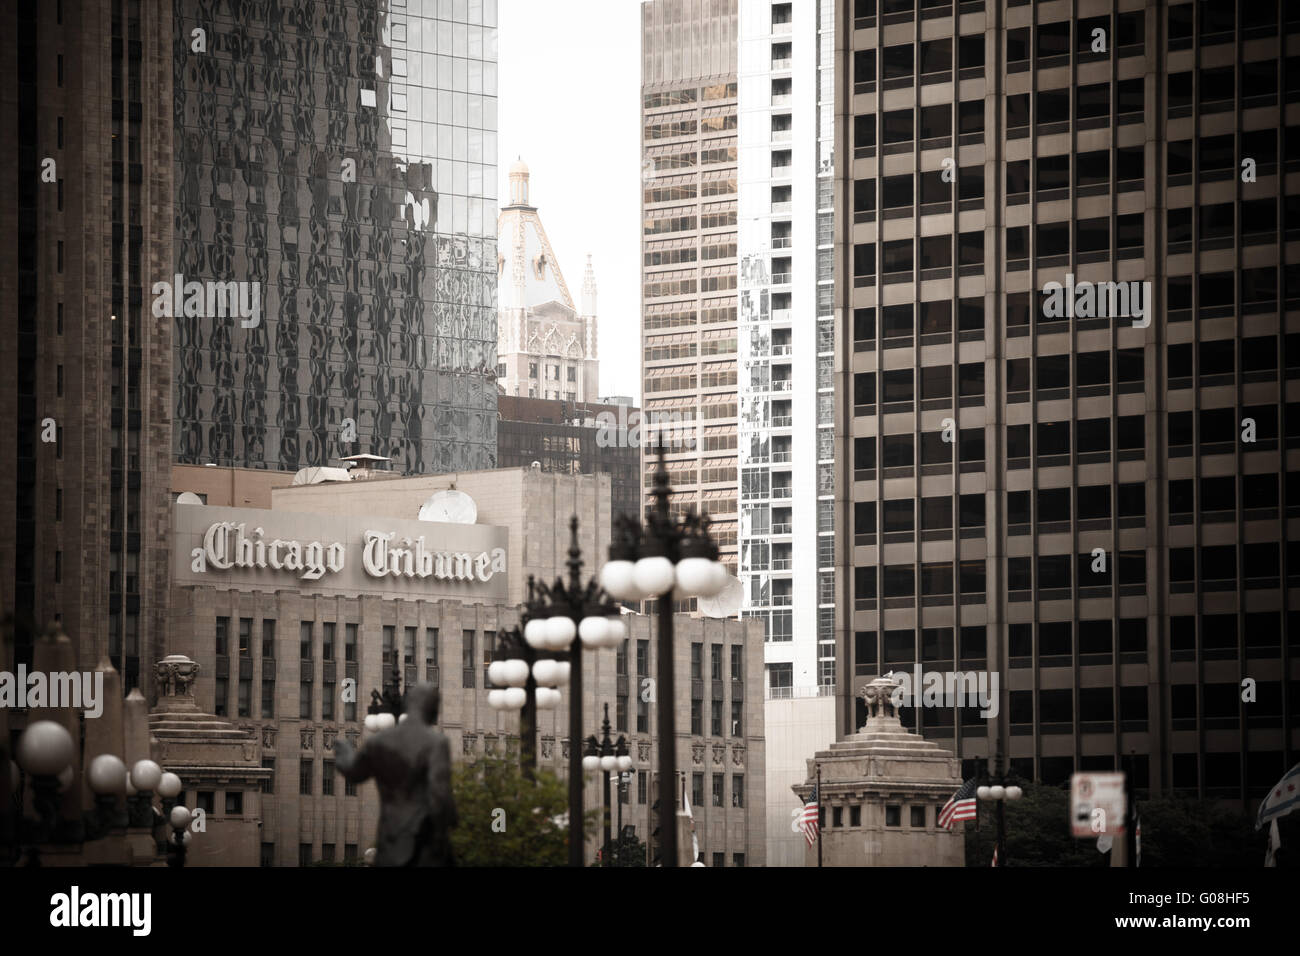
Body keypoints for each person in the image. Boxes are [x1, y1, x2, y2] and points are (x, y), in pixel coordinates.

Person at [333, 683, 457, 866]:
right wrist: (450, 821)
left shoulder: (378, 741)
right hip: (424, 846)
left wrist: (344, 751)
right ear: (432, 708)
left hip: (389, 843)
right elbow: (440, 794)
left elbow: (354, 772)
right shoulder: (436, 742)